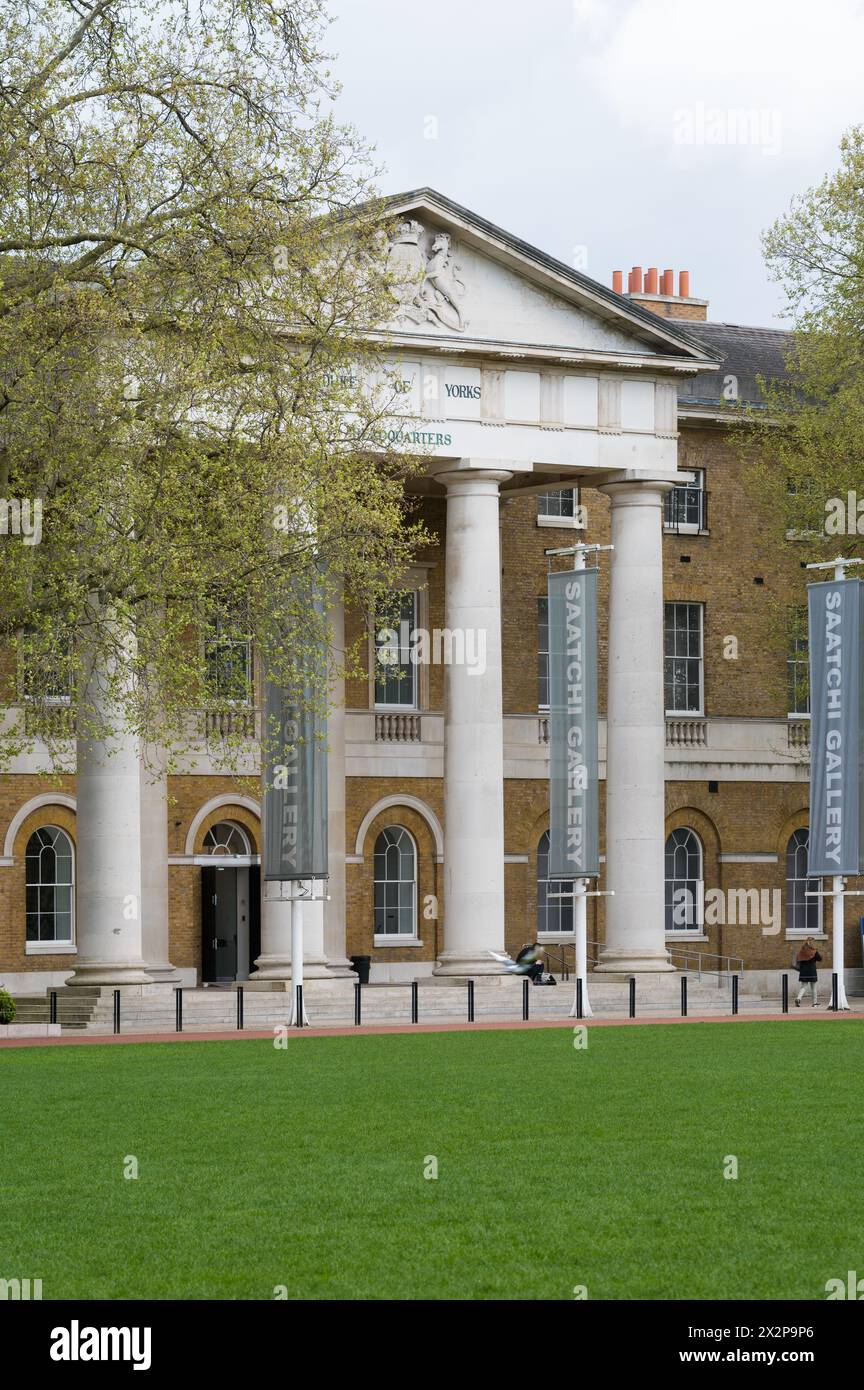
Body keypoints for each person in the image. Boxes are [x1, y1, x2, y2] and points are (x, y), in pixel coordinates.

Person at [794, 937, 822, 1007]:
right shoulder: (814, 951)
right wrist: (817, 951)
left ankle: (798, 998)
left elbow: (798, 959)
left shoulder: (802, 951)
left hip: (803, 971)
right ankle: (814, 1003)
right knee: (813, 988)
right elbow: (820, 959)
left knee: (803, 987)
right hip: (812, 971)